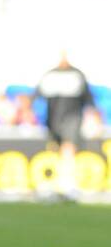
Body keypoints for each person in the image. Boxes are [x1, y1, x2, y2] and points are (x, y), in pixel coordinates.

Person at [34, 54, 101, 197]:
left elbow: (88, 98)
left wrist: (94, 116)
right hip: (53, 119)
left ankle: (67, 184)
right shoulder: (50, 75)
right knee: (54, 150)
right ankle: (54, 183)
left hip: (72, 117)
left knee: (68, 149)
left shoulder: (77, 74)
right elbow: (37, 95)